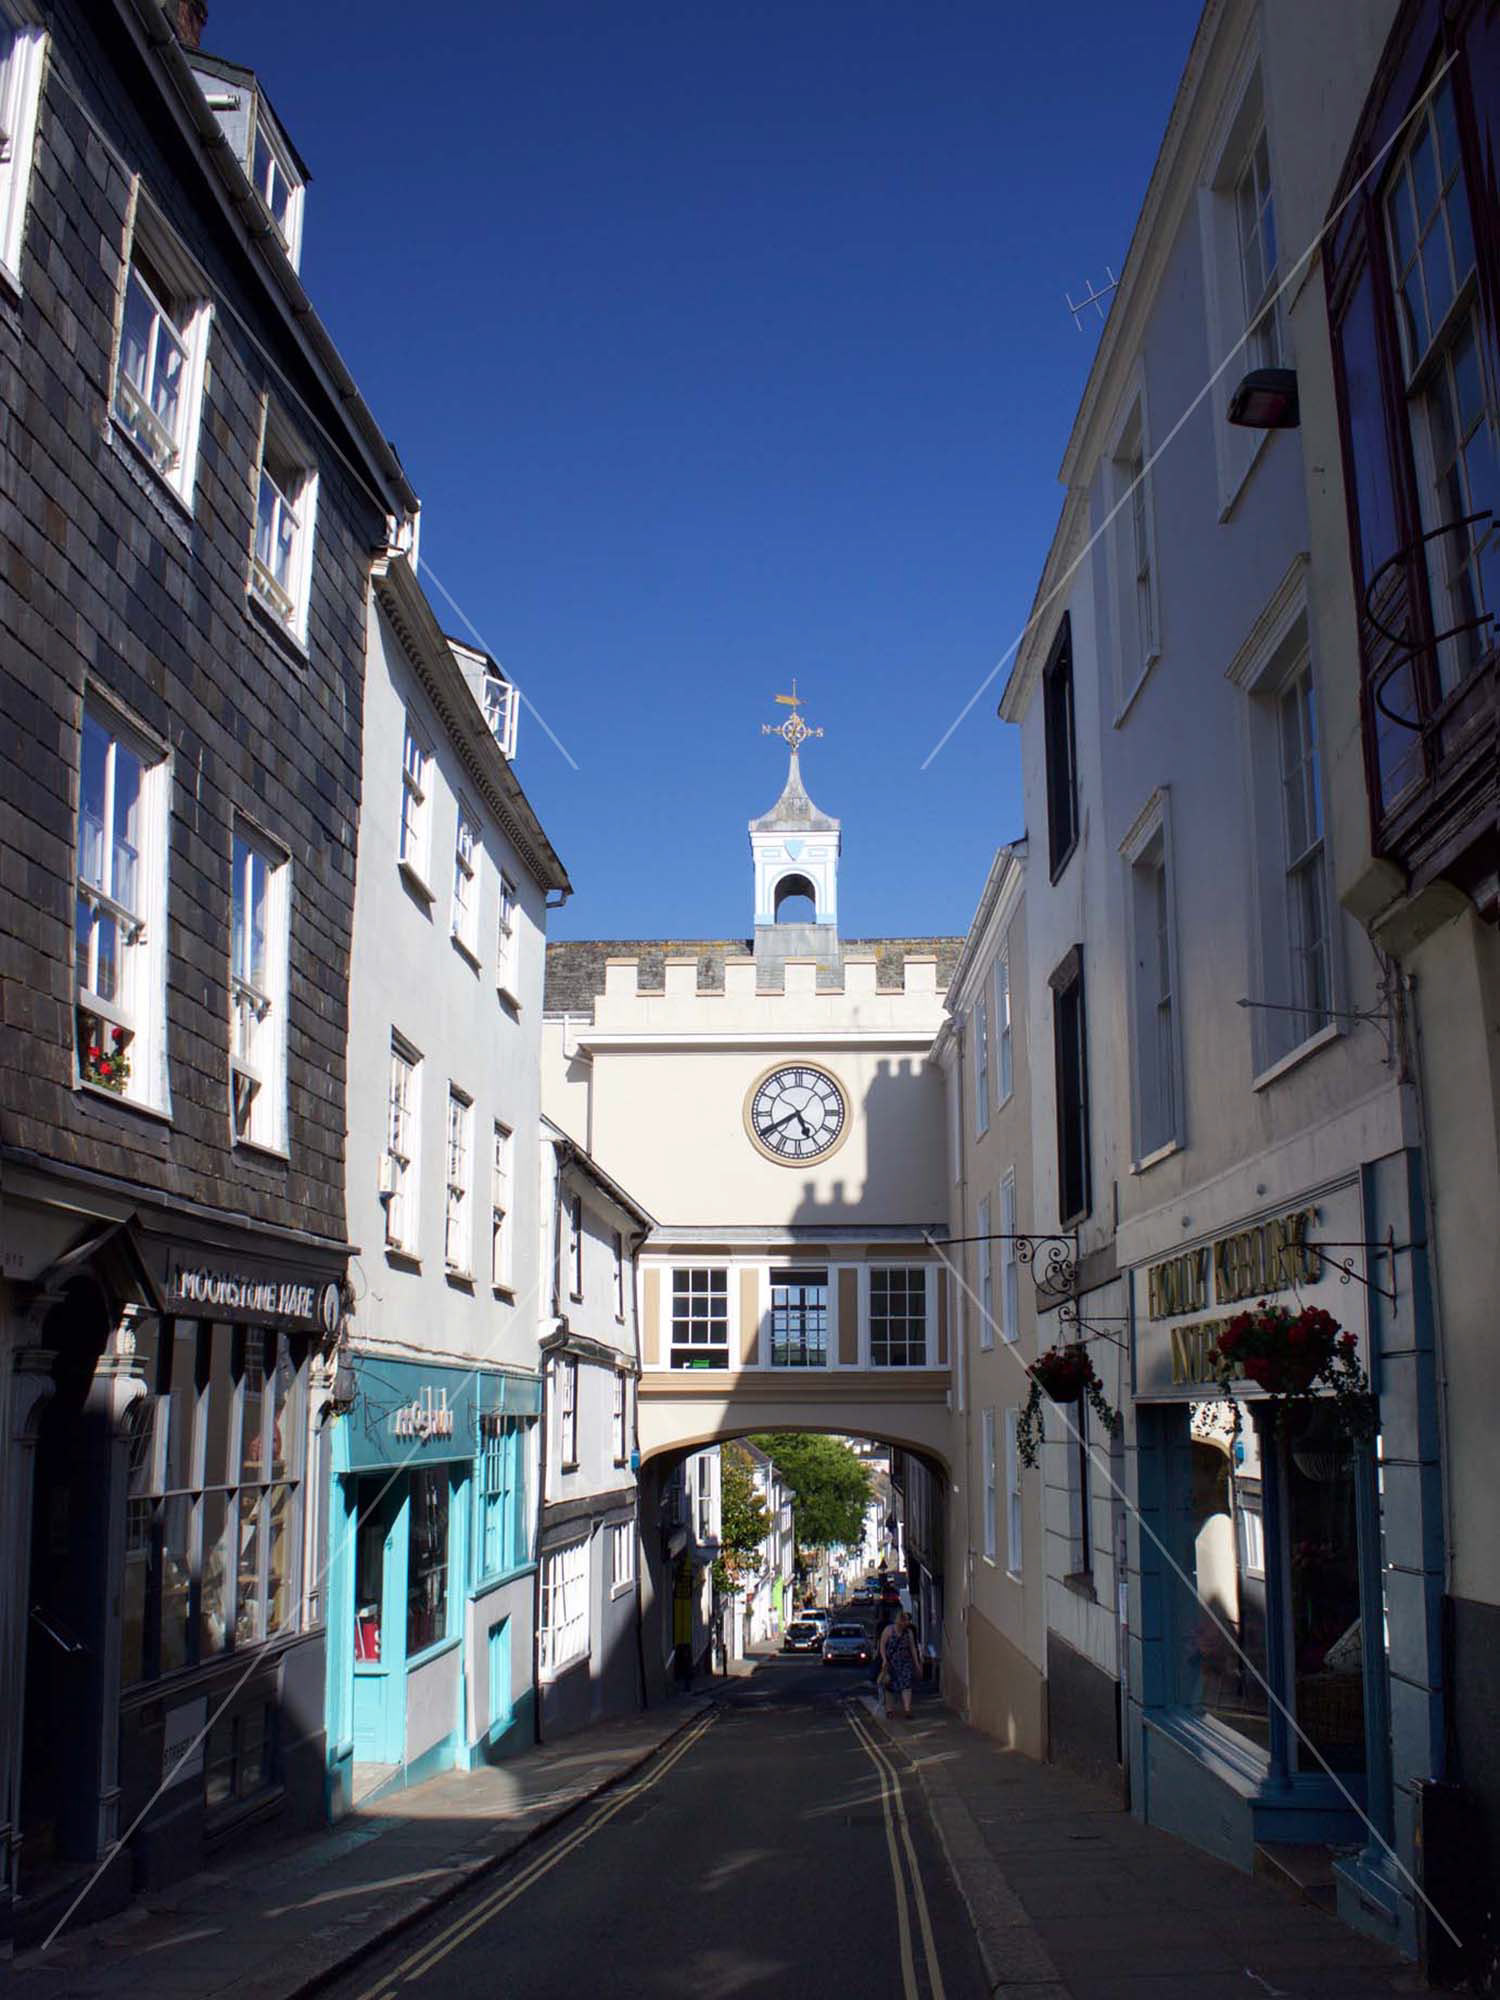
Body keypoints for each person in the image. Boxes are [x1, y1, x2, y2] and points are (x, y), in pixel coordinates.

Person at [878, 1609, 922, 1720]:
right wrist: (884, 1660)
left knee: (906, 1685)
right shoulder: (889, 1630)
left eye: (907, 1622)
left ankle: (907, 1710)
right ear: (899, 1621)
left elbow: (912, 1648)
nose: (906, 1624)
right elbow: (882, 1645)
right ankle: (889, 1710)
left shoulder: (908, 1632)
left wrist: (916, 1664)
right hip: (891, 1662)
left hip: (905, 1662)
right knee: (890, 1687)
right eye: (904, 1622)